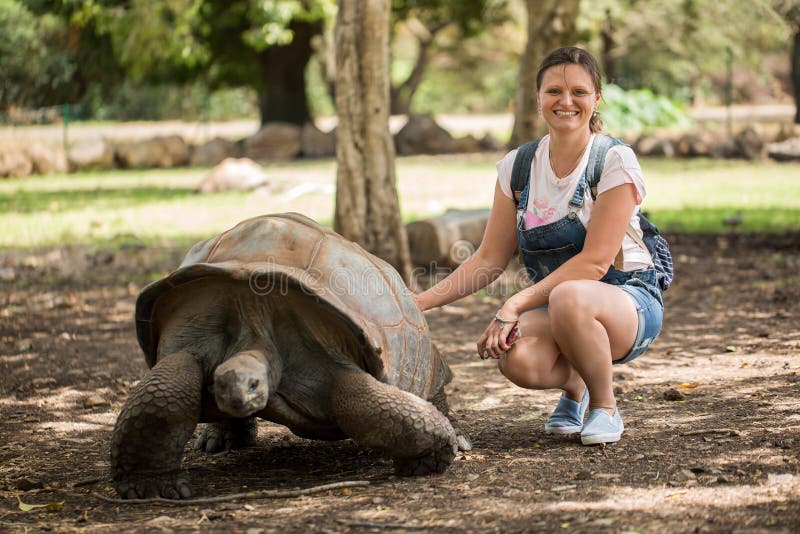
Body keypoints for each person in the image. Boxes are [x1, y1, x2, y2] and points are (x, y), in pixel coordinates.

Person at [413, 46, 664, 445]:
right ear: (538, 97)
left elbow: (596, 263)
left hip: (629, 303)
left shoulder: (613, 160)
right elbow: (489, 259)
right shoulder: (518, 167)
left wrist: (513, 304)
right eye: (554, 91)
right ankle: (575, 386)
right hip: (564, 307)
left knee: (568, 297)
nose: (566, 102)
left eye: (579, 92)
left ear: (597, 98)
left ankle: (605, 406)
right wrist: (418, 303)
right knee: (516, 357)